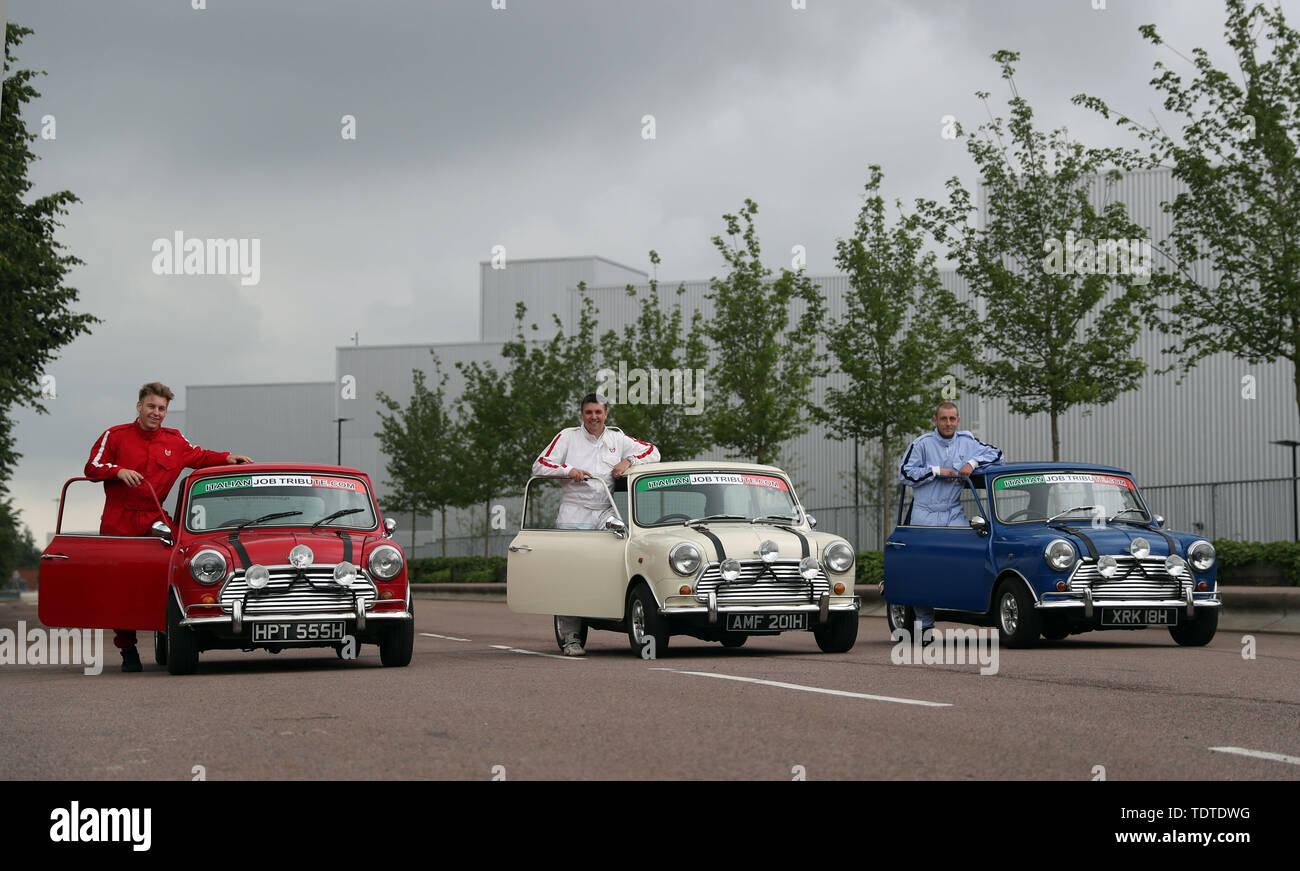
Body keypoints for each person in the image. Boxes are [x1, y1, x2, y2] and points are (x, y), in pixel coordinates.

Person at [85, 382, 253, 671]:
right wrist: (118, 471)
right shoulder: (115, 435)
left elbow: (199, 455)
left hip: (154, 515)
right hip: (119, 517)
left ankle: (180, 629)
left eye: (162, 408)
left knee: (181, 562)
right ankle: (127, 649)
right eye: (151, 406)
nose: (156, 413)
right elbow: (92, 467)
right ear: (139, 407)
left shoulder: (174, 440)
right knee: (120, 583)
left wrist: (227, 457)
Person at [532, 393, 660, 655]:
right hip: (573, 513)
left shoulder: (617, 438)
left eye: (598, 412)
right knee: (571, 575)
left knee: (626, 550)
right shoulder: (567, 437)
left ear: (606, 414)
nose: (594, 417)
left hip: (605, 512)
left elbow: (652, 451)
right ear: (582, 414)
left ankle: (617, 613)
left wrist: (628, 461)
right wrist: (569, 470)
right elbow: (539, 465)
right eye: (589, 412)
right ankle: (570, 637)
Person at [898, 401, 1002, 642]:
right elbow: (904, 473)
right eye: (943, 419)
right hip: (925, 513)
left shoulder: (967, 441)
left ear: (958, 420)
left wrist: (972, 463)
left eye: (952, 419)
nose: (948, 423)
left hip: (953, 511)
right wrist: (936, 471)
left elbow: (997, 454)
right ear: (935, 420)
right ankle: (924, 625)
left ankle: (967, 610)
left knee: (968, 559)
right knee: (924, 570)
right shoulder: (921, 444)